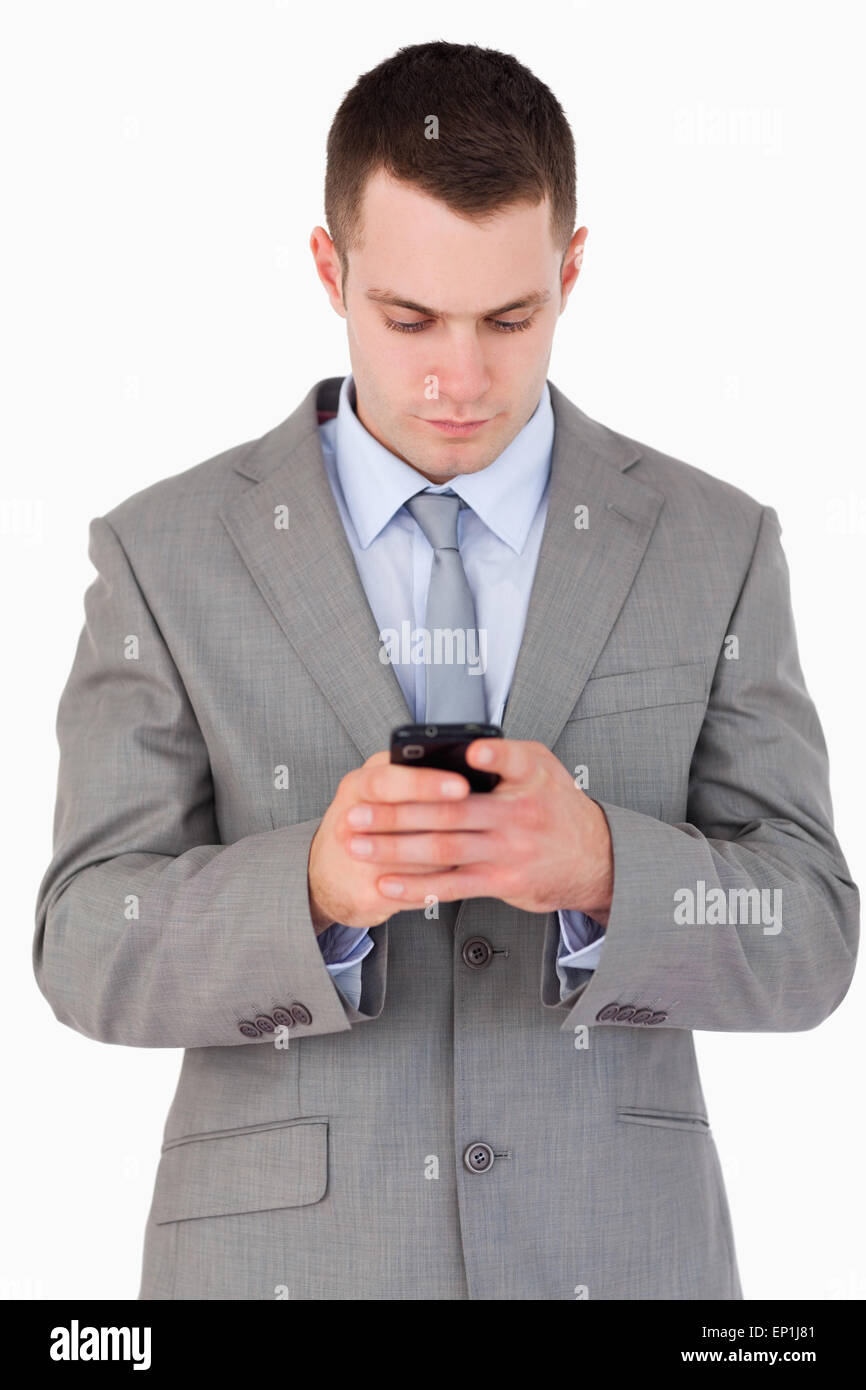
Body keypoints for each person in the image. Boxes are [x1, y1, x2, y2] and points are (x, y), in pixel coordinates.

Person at [34, 40, 858, 1301]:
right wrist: (307, 887)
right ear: (330, 269)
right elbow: (86, 938)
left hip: (621, 1257)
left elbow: (807, 932)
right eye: (409, 317)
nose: (458, 380)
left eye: (508, 319)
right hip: (279, 1267)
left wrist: (603, 869)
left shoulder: (715, 544)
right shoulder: (162, 552)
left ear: (570, 270)